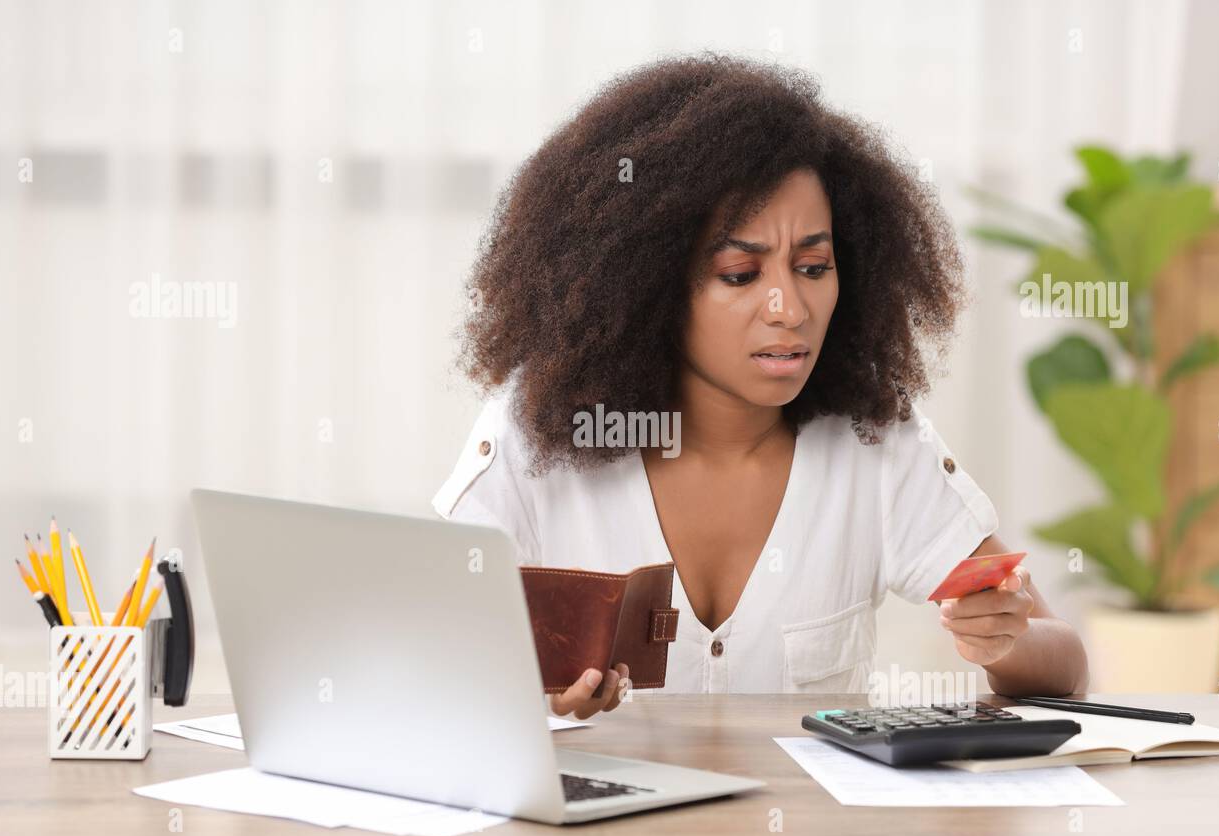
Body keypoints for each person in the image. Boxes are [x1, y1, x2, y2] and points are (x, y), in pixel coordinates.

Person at [433, 54, 1088, 720]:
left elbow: (1066, 666)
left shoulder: (873, 443)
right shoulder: (534, 435)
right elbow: (429, 668)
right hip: (596, 823)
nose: (789, 307)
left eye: (812, 266)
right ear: (646, 285)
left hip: (811, 823)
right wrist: (522, 688)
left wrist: (1005, 641)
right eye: (741, 275)